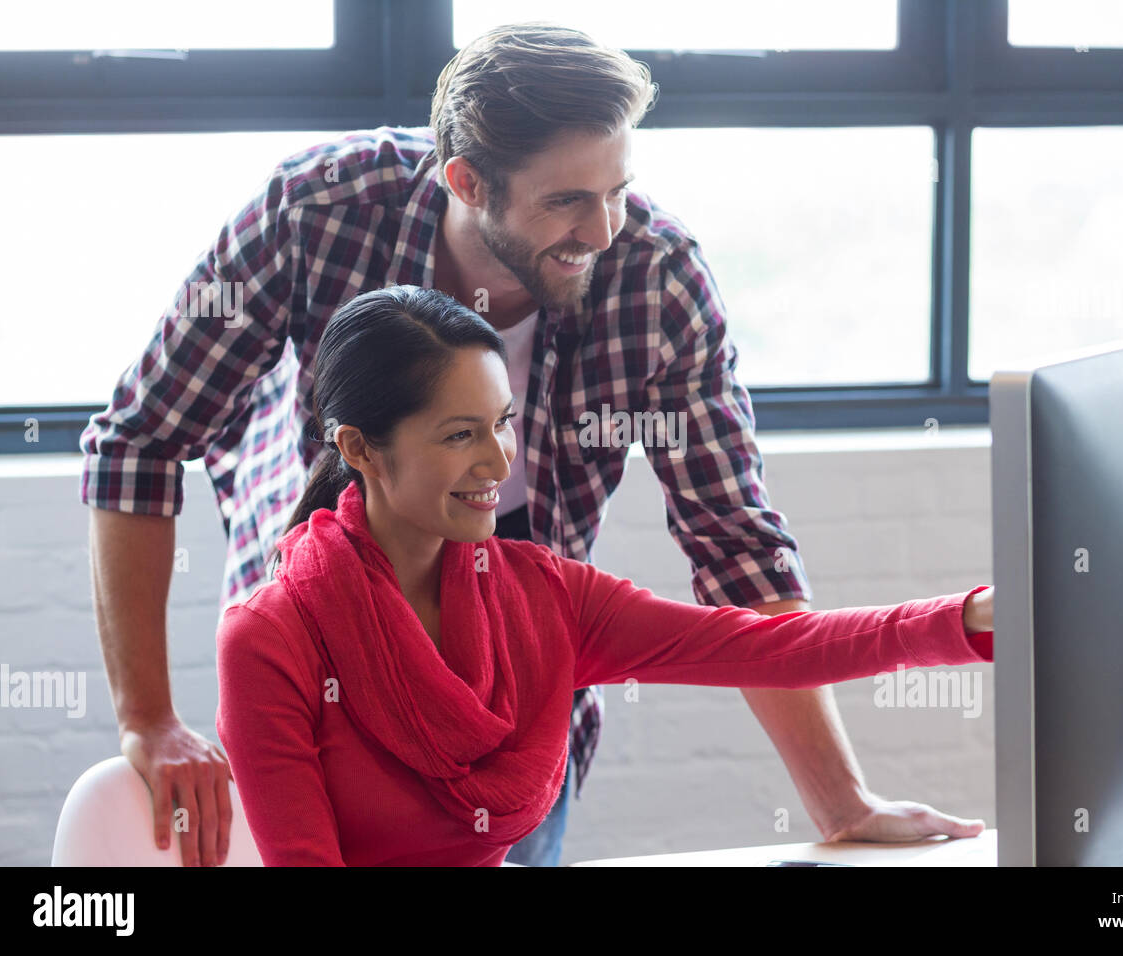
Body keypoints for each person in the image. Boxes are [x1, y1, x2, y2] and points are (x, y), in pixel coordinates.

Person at [81, 21, 987, 869]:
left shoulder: (652, 284)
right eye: (567, 202)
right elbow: (139, 442)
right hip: (325, 663)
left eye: (618, 192)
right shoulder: (318, 211)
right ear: (467, 181)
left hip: (513, 705)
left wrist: (839, 802)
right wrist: (148, 717)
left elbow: (738, 559)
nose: (603, 232)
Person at [214, 285, 995, 866]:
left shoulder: (543, 592)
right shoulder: (271, 639)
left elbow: (770, 648)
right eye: (460, 435)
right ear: (358, 449)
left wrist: (973, 619)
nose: (497, 462)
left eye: (503, 423)